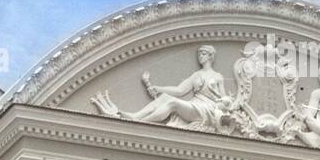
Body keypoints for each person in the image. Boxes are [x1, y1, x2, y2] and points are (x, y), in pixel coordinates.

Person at [93, 46, 231, 130]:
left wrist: (225, 102)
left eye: (203, 54)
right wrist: (158, 89)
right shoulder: (196, 74)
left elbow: (224, 98)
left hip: (207, 110)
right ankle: (136, 116)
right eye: (199, 54)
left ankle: (141, 122)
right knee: (166, 98)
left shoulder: (217, 76)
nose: (200, 56)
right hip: (195, 105)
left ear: (211, 56)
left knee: (172, 103)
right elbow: (180, 90)